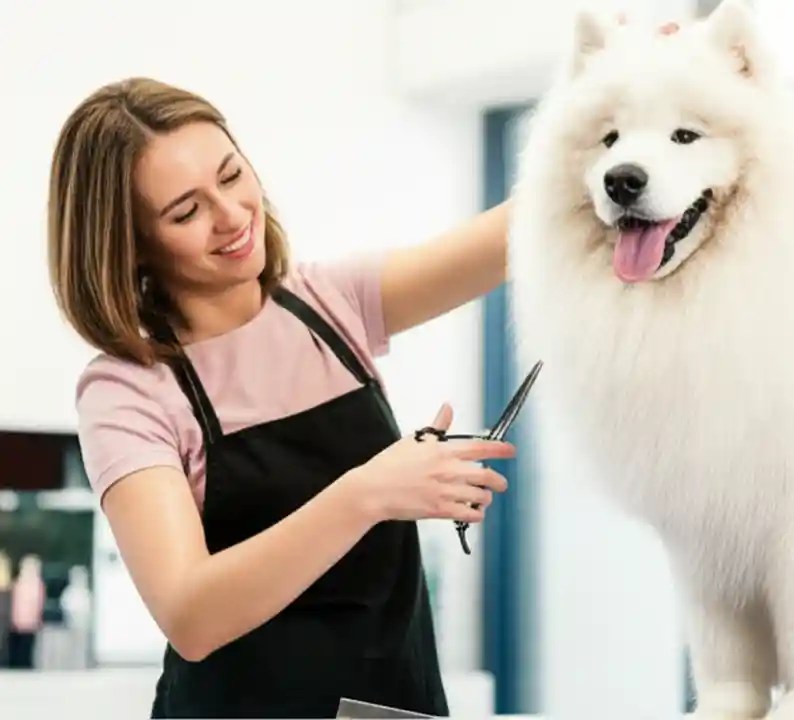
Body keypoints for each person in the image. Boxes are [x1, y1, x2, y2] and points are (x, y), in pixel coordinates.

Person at [46, 77, 515, 718]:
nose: (233, 215)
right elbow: (191, 613)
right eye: (186, 212)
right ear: (129, 246)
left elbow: (521, 232)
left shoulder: (331, 303)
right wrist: (370, 492)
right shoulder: (130, 390)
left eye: (232, 175)